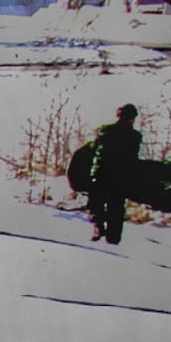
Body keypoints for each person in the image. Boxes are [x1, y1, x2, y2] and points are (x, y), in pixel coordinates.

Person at [72, 103, 142, 243]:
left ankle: (98, 226)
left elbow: (93, 150)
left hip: (101, 174)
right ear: (131, 119)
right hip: (120, 178)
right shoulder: (135, 136)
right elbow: (132, 159)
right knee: (116, 207)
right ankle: (113, 238)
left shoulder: (104, 131)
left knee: (95, 204)